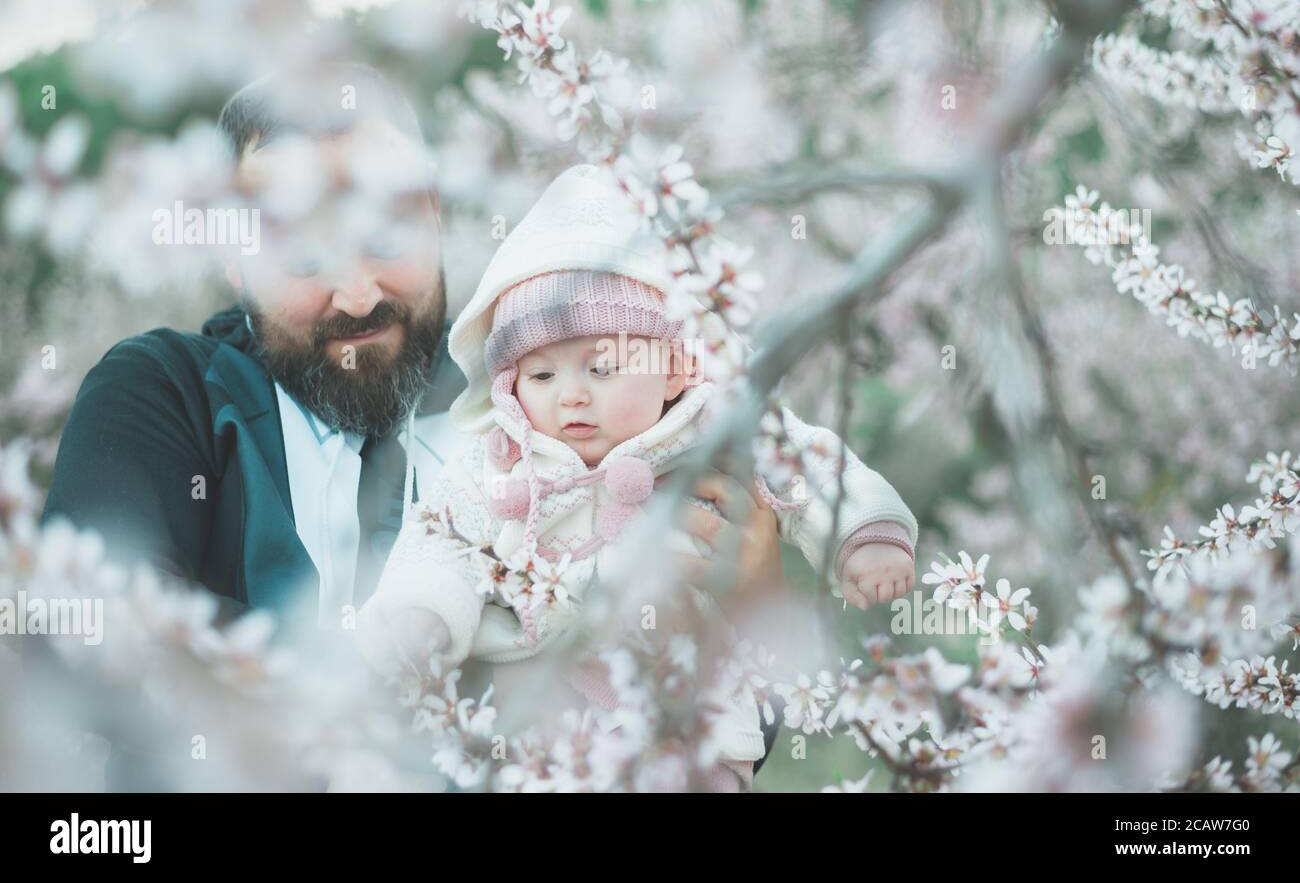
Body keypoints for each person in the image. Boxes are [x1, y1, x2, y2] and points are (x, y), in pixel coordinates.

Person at [39, 64, 783, 789]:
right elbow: (99, 629)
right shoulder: (165, 390)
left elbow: (714, 680)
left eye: (387, 237)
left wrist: (749, 593)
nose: (358, 296)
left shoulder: (543, 398)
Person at [356, 163, 919, 791]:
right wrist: (425, 612)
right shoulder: (500, 461)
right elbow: (441, 540)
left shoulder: (716, 432)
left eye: (601, 368)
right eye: (541, 377)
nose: (570, 397)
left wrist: (864, 534)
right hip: (542, 722)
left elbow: (811, 465)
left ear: (675, 369)